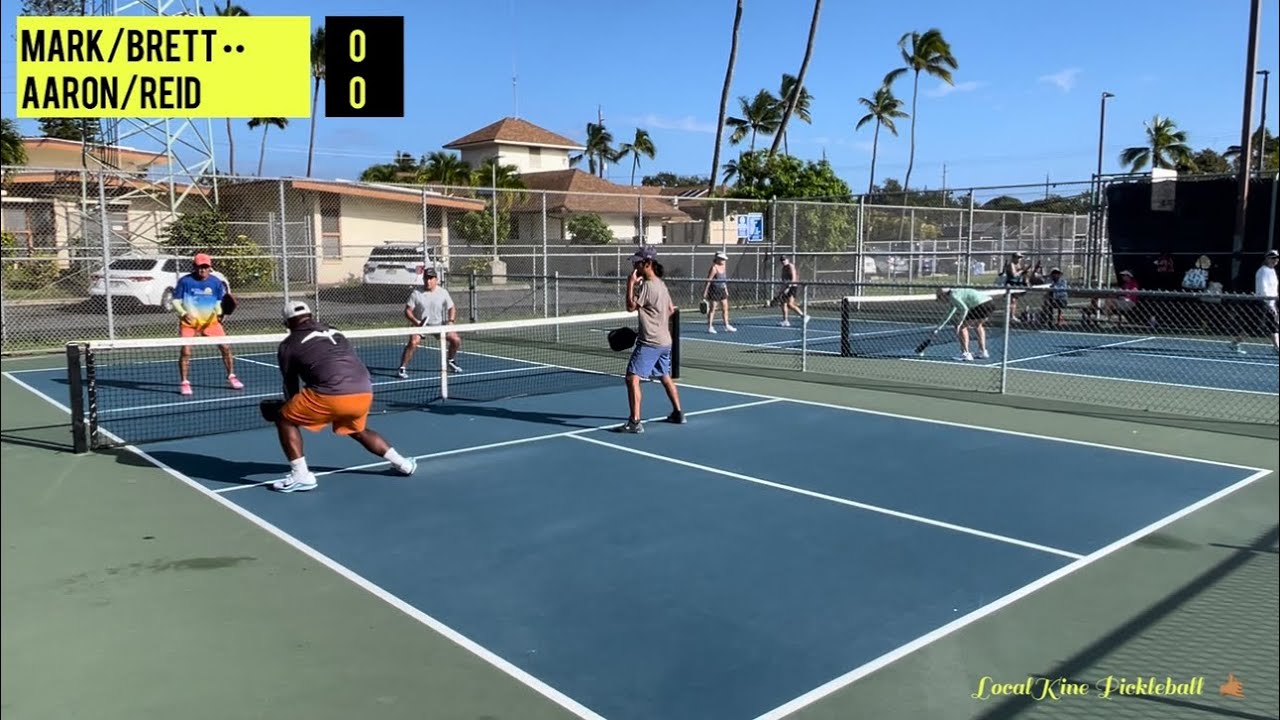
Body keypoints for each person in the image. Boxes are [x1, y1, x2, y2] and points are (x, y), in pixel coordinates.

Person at [271, 301, 418, 493]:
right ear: (311, 316)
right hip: (364, 390)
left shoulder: (289, 344)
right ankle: (403, 464)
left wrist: (288, 407)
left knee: (284, 419)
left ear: (287, 323)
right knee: (357, 429)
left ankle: (301, 475)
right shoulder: (335, 331)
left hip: (330, 394)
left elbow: (290, 383)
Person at [615, 247, 683, 433]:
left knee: (632, 378)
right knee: (665, 377)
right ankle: (678, 413)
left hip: (650, 343)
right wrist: (653, 322)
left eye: (637, 262)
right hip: (665, 342)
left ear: (647, 263)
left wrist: (630, 284)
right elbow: (670, 310)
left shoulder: (647, 286)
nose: (634, 266)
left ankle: (635, 422)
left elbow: (630, 307)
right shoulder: (661, 284)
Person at [172, 253, 244, 396]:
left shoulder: (216, 282)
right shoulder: (185, 282)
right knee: (186, 351)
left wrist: (219, 314)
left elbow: (217, 302)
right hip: (189, 323)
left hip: (210, 322)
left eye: (205, 267)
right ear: (194, 267)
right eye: (200, 267)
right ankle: (185, 382)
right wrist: (183, 313)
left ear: (209, 267)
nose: (202, 270)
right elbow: (176, 301)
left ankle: (231, 376)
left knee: (226, 347)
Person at [397, 267, 461, 378]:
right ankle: (402, 368)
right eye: (426, 278)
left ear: (436, 279)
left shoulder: (443, 292)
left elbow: (452, 307)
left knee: (456, 339)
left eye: (431, 278)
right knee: (413, 343)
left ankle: (450, 360)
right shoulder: (416, 293)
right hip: (419, 326)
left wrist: (451, 321)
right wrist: (417, 322)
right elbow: (407, 310)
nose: (428, 281)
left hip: (438, 326)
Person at [1231, 249, 1279, 355]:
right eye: (1272, 258)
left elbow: (1273, 289)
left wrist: (1274, 303)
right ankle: (1276, 348)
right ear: (1267, 259)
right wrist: (1269, 304)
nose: (1275, 260)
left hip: (1270, 303)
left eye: (1276, 258)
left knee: (1270, 325)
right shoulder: (1262, 271)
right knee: (1256, 326)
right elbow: (1263, 289)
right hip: (1263, 303)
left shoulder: (1272, 271)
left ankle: (1276, 347)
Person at [935, 287, 995, 361]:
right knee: (978, 325)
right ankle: (983, 352)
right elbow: (949, 313)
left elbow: (964, 309)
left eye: (939, 298)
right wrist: (939, 327)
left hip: (980, 305)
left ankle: (965, 354)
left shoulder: (953, 296)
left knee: (961, 327)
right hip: (990, 303)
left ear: (943, 295)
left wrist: (959, 324)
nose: (940, 301)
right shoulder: (953, 295)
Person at [702, 251, 736, 333]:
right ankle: (710, 327)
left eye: (724, 259)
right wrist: (705, 291)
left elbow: (724, 280)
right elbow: (708, 280)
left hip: (722, 290)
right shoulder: (714, 268)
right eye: (722, 259)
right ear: (717, 259)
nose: (724, 260)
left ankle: (726, 325)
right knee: (713, 308)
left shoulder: (724, 266)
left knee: (725, 308)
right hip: (714, 290)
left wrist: (726, 290)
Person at [773, 256, 808, 327]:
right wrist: (780, 291)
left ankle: (804, 316)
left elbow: (793, 278)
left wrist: (788, 287)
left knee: (790, 304)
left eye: (784, 260)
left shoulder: (790, 266)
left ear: (787, 260)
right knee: (783, 303)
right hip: (786, 287)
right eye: (782, 260)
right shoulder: (783, 269)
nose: (783, 261)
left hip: (792, 287)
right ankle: (785, 321)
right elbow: (783, 281)